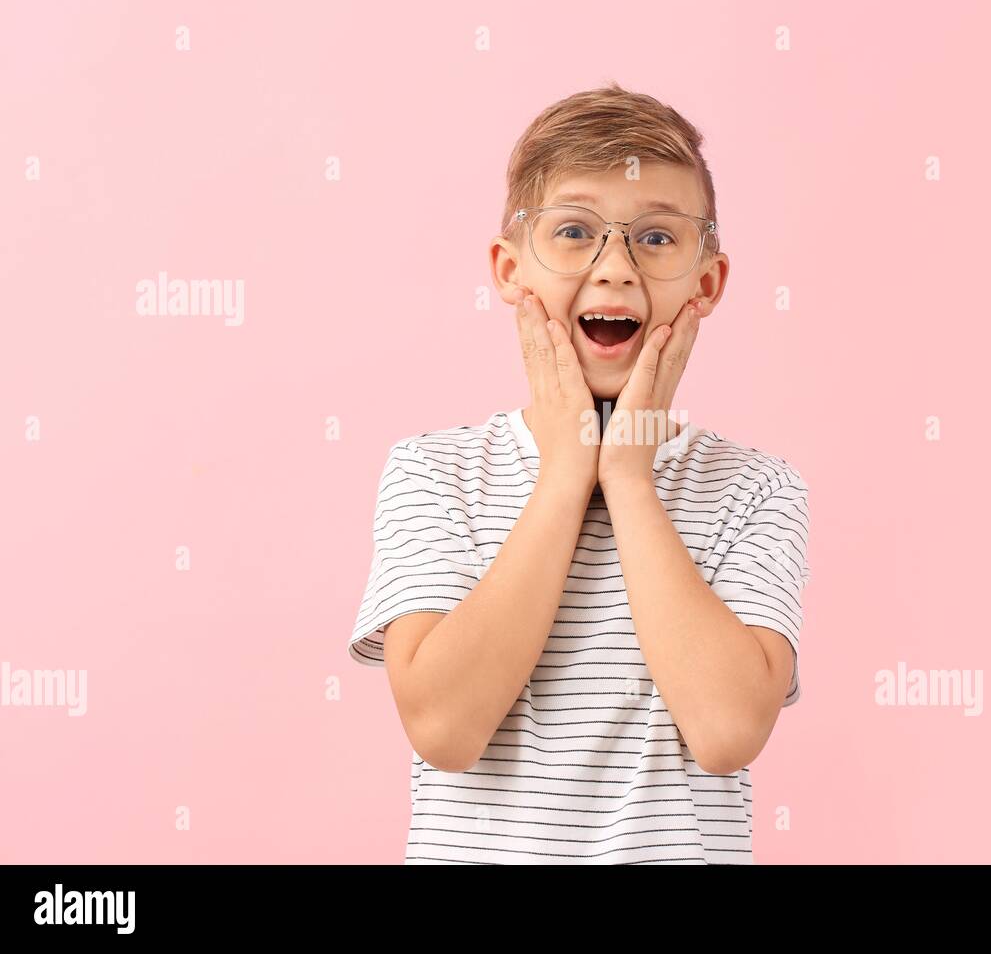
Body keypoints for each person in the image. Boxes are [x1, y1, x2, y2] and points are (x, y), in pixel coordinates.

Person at [348, 82, 811, 864]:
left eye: (656, 238)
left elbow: (729, 732)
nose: (615, 270)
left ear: (707, 283)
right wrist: (567, 472)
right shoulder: (433, 473)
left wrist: (628, 477)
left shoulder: (757, 488)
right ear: (508, 269)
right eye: (574, 232)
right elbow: (446, 729)